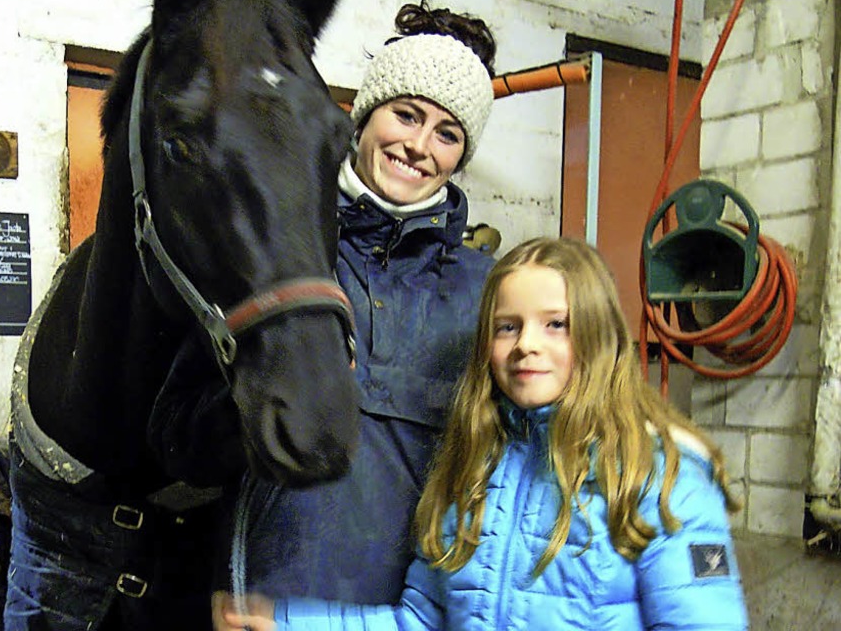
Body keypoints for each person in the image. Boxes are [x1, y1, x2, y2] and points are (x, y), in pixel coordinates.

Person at [148, 0, 499, 605]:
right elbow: (174, 439)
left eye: (447, 134)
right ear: (363, 118)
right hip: (270, 604)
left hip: (411, 611)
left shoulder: (482, 288)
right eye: (406, 115)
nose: (419, 146)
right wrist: (265, 395)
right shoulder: (273, 251)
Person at [219, 236, 749, 631]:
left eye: (556, 324)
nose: (527, 345)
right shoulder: (472, 466)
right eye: (508, 325)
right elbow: (420, 621)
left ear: (598, 335)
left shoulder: (660, 474)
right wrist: (285, 624)